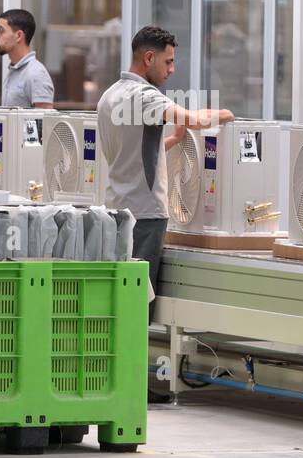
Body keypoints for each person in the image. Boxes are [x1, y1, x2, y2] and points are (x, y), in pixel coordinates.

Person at [97, 26, 233, 403]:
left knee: (118, 301)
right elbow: (189, 118)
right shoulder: (143, 94)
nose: (172, 70)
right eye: (169, 61)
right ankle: (131, 388)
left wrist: (168, 143)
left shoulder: (111, 95)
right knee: (137, 305)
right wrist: (224, 114)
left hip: (116, 211)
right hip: (145, 215)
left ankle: (113, 381)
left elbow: (132, 147)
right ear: (149, 58)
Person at [0, 9, 55, 109]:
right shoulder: (13, 71)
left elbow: (45, 122)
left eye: (1, 31)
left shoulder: (36, 74)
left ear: (18, 36)